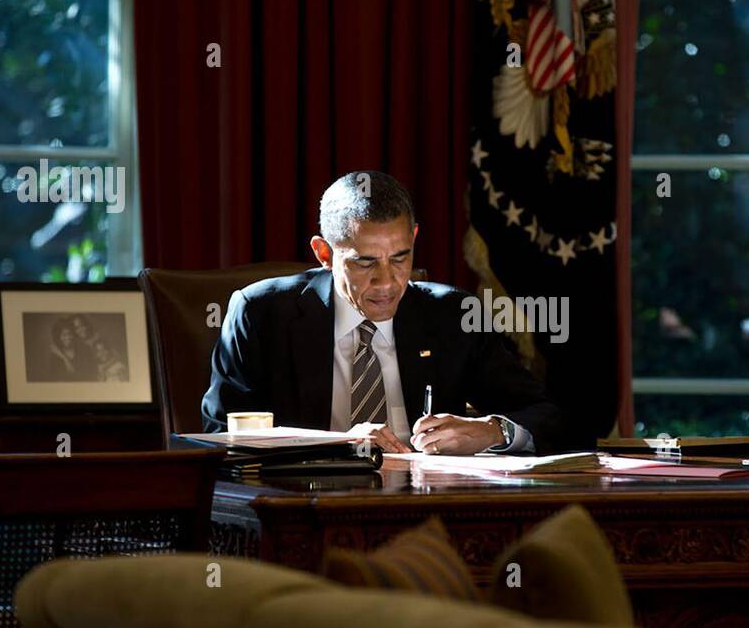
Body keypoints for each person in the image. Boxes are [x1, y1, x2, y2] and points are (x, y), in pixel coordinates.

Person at [202, 171, 571, 454]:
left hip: (430, 512)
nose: (387, 283)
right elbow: (220, 433)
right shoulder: (262, 312)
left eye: (400, 258)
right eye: (364, 263)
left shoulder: (454, 316)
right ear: (324, 254)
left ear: (413, 238)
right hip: (304, 507)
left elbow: (548, 415)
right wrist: (335, 444)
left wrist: (494, 430)